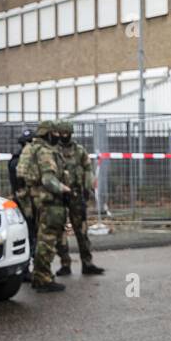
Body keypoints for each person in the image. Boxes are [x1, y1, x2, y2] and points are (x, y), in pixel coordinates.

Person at [14, 120, 68, 293]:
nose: (59, 136)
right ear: (48, 134)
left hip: (34, 200)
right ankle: (43, 277)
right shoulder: (44, 151)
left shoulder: (31, 148)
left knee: (40, 239)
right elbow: (48, 179)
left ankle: (39, 275)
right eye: (56, 133)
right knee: (47, 240)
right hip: (48, 200)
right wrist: (65, 190)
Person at [54, 120, 104, 277]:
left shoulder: (79, 150)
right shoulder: (53, 151)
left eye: (66, 133)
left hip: (76, 194)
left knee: (81, 230)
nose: (64, 136)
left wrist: (88, 187)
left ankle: (87, 263)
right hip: (59, 195)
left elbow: (88, 169)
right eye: (61, 133)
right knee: (60, 231)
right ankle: (65, 264)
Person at [8, 127, 36, 281]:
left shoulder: (15, 159)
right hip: (26, 203)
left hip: (21, 202)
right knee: (31, 235)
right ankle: (25, 270)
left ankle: (26, 269)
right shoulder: (21, 162)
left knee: (30, 235)